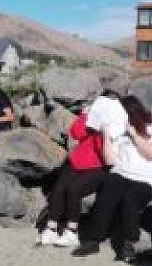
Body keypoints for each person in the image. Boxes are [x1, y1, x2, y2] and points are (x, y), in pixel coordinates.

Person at [69, 96, 152, 256]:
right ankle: (92, 241)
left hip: (146, 180)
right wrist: (107, 134)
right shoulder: (117, 131)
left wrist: (134, 134)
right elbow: (110, 160)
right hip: (120, 173)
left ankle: (130, 242)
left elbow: (151, 154)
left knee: (130, 198)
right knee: (106, 196)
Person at [36, 90, 120, 247]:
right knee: (59, 189)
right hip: (77, 161)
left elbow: (107, 150)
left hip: (98, 166)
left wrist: (104, 127)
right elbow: (76, 133)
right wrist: (86, 116)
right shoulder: (92, 117)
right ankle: (51, 228)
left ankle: (72, 231)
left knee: (74, 190)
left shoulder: (117, 121)